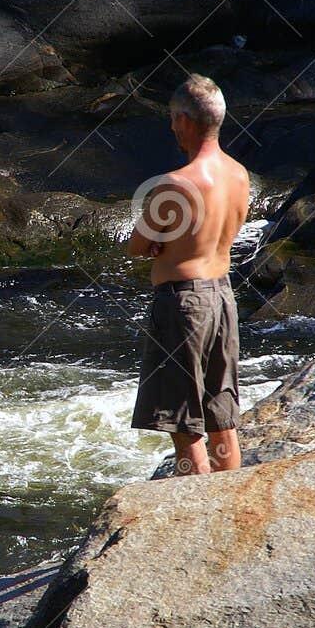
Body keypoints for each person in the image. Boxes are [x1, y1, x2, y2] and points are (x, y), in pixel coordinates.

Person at [126, 74, 250, 475]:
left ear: (186, 121)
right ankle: (229, 501)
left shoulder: (175, 184)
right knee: (221, 415)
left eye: (173, 119)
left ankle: (196, 509)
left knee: (183, 422)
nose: (171, 127)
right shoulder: (239, 176)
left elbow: (137, 244)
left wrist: (161, 241)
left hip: (183, 303)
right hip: (222, 297)